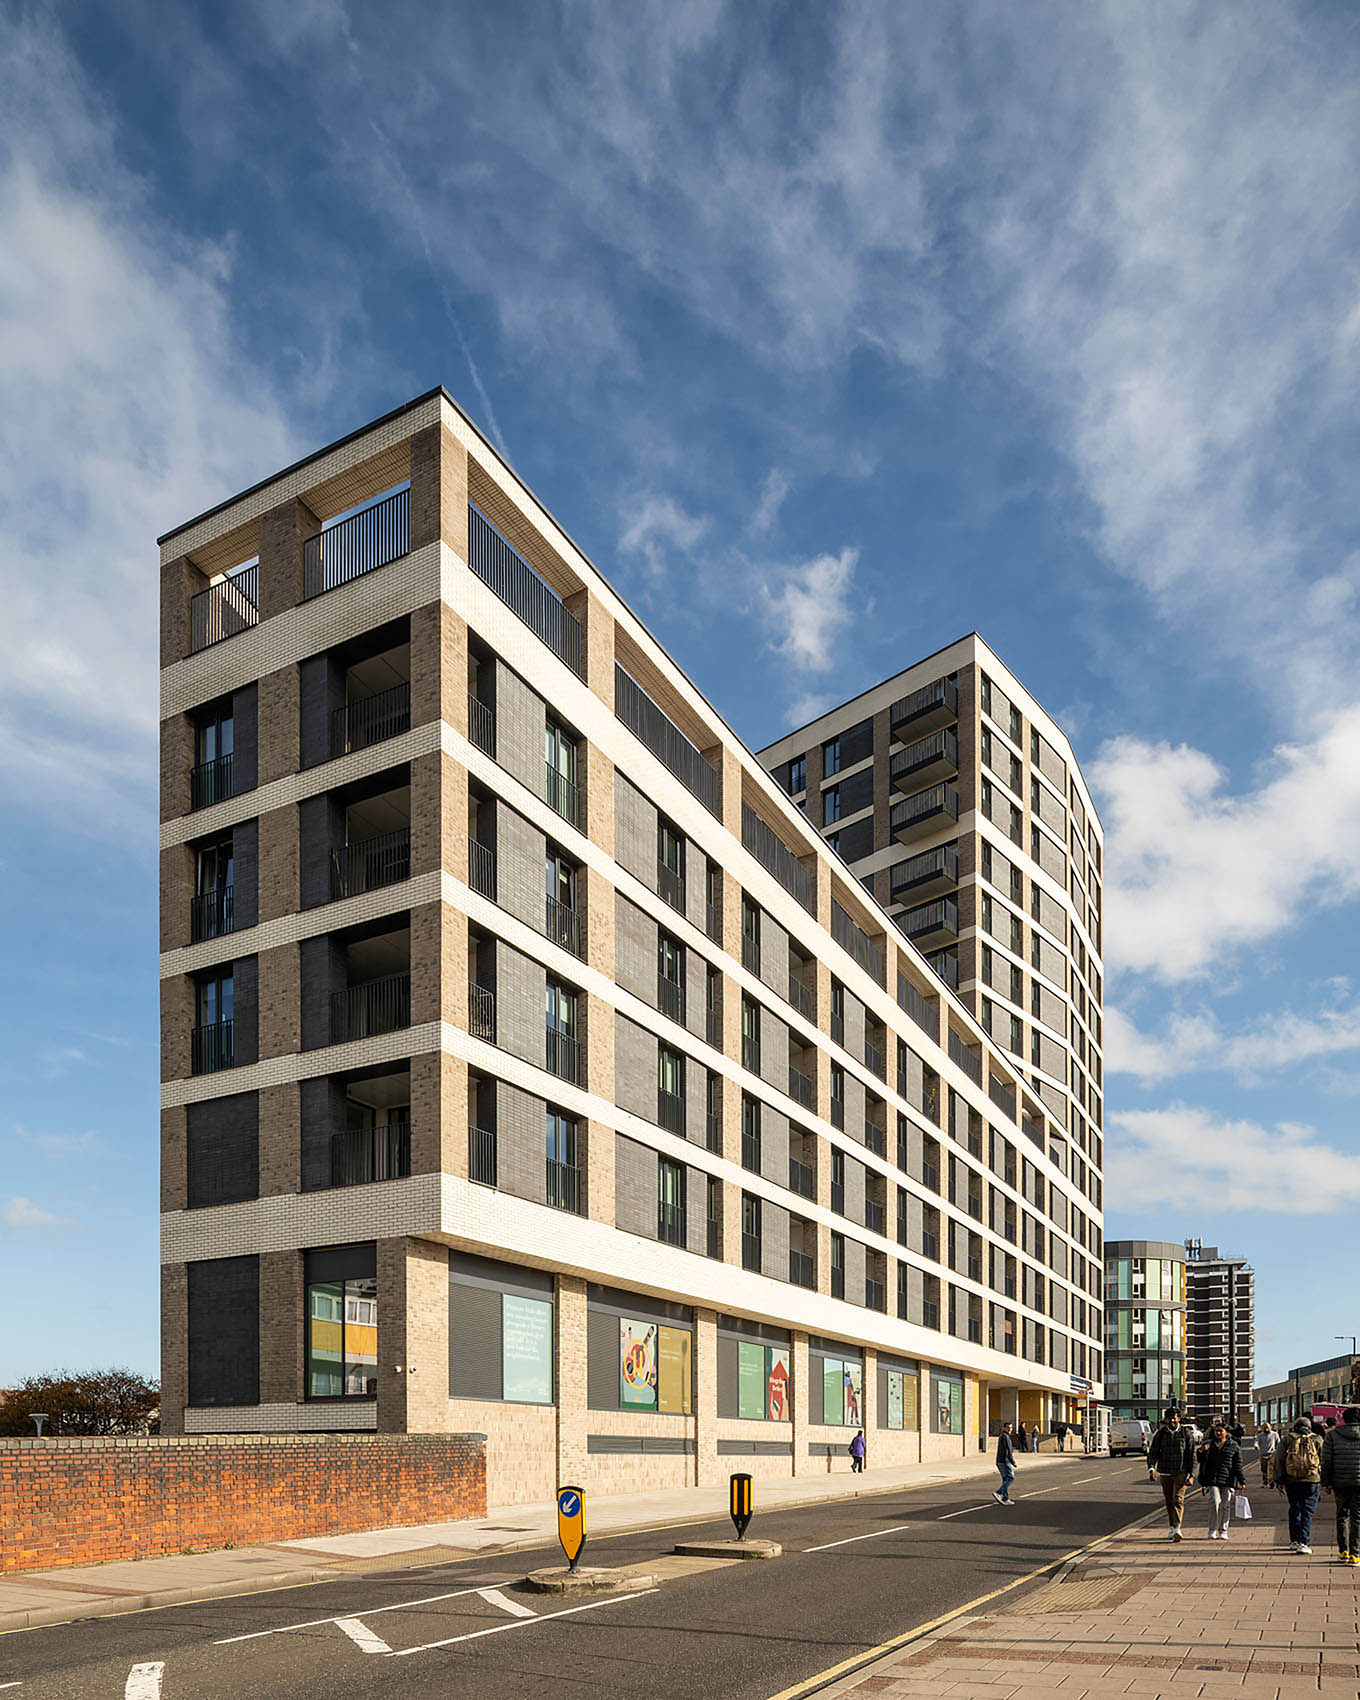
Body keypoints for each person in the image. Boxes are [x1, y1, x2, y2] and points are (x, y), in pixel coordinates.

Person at [1146, 1408, 1197, 1541]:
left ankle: (1177, 1528)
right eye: (1170, 1418)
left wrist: (1192, 1474)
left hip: (1181, 1471)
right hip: (1165, 1471)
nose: (1172, 1420)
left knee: (1178, 1499)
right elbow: (1153, 1452)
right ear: (1166, 1420)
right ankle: (1172, 1527)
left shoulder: (1186, 1433)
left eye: (1175, 1418)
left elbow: (1191, 1454)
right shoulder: (1161, 1434)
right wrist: (1151, 1468)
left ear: (1179, 1418)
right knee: (1169, 1501)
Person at [1320, 1405, 1360, 1564]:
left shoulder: (1332, 1435)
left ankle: (1343, 1551)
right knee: (1357, 1518)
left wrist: (1326, 1483)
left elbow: (1327, 1461)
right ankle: (1355, 1555)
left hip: (1340, 1482)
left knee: (1342, 1515)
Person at [1275, 1417, 1322, 1554]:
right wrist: (1326, 1482)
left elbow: (1279, 1460)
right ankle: (1304, 1542)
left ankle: (1294, 1541)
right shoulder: (1317, 1439)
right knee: (1307, 1511)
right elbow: (1324, 1460)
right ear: (1309, 1427)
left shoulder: (1286, 1439)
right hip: (1312, 1480)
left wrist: (1279, 1481)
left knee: (1295, 1508)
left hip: (1292, 1480)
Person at [993, 1419, 1017, 1505]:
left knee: (1005, 1479)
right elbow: (1008, 1451)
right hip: (1005, 1461)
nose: (1010, 1429)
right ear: (1004, 1428)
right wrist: (1013, 1462)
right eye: (1008, 1428)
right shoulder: (1006, 1437)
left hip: (999, 1461)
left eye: (1011, 1428)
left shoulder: (1002, 1436)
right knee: (1010, 1478)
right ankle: (998, 1493)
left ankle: (1005, 1498)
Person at [1257, 1421, 1279, 1488]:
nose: (1266, 1429)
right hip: (1263, 1454)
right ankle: (1265, 1482)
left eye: (1267, 1427)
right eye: (1265, 1428)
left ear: (1270, 1427)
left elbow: (1278, 1442)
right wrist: (1256, 1446)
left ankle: (1271, 1482)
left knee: (1271, 1469)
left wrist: (1277, 1450)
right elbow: (1256, 1442)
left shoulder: (1274, 1434)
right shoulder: (1260, 1435)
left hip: (1271, 1454)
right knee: (1264, 1469)